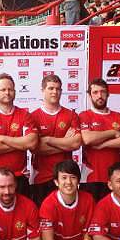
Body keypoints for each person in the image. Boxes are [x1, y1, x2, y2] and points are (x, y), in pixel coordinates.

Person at [0, 74, 38, 201]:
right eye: (3, 89)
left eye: (10, 89)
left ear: (15, 91)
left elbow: (32, 143)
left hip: (19, 179)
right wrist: (20, 144)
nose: (7, 92)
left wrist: (2, 138)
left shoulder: (25, 115)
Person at [30, 74, 82, 208]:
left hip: (65, 178)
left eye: (58, 89)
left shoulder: (71, 115)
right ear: (43, 91)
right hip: (40, 177)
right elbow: (35, 148)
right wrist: (65, 143)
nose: (55, 92)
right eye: (51, 88)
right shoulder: (33, 117)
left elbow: (75, 143)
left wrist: (47, 140)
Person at [79, 78, 120, 202]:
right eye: (95, 92)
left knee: (115, 217)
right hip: (91, 178)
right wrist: (113, 132)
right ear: (89, 95)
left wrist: (103, 145)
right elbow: (87, 139)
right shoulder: (84, 116)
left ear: (108, 94)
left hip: (116, 178)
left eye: (103, 92)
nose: (99, 95)